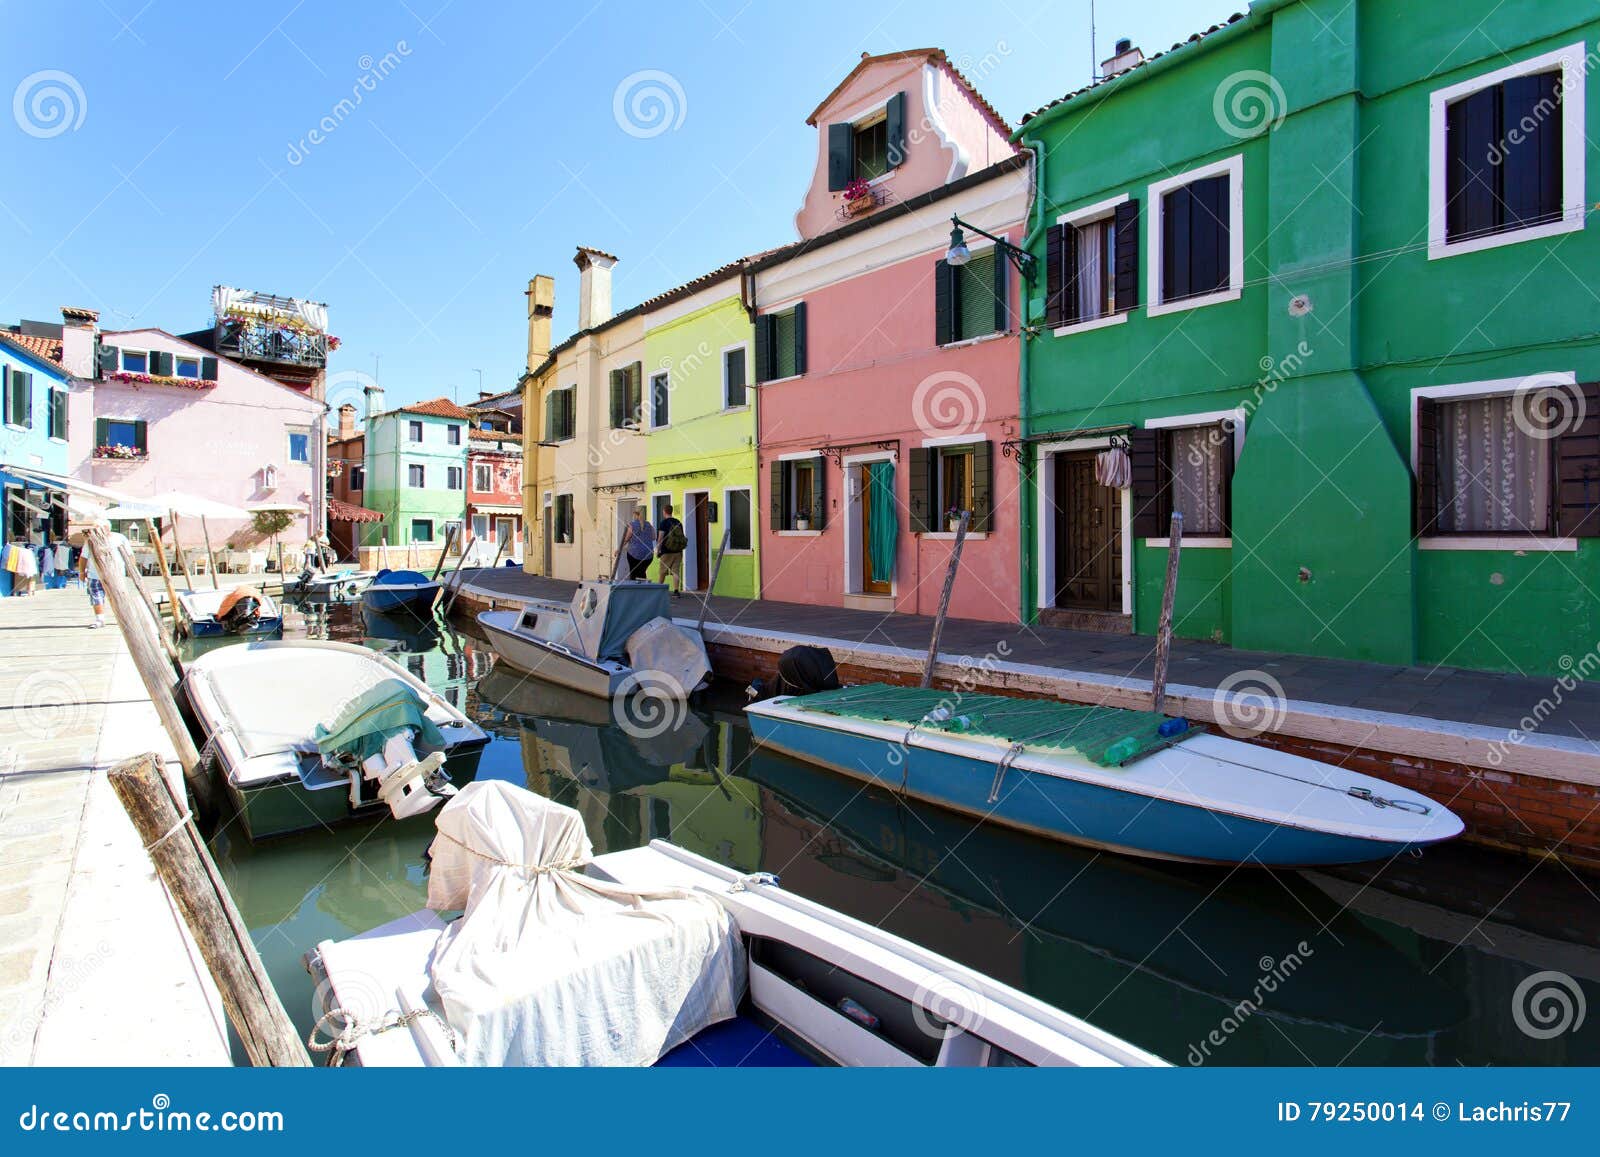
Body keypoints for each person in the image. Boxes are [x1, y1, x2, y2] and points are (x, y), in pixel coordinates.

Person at [77, 522, 130, 629]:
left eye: (99, 529)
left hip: (116, 574)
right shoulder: (91, 540)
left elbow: (129, 555)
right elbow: (83, 557)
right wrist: (82, 572)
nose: (96, 531)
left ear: (107, 529)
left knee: (118, 597)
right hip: (95, 574)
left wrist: (131, 570)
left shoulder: (120, 538)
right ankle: (99, 619)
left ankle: (124, 619)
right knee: (96, 597)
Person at [655, 502, 686, 595]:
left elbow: (660, 538)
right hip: (678, 551)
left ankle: (659, 589)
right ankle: (676, 591)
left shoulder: (663, 523)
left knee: (662, 571)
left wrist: (658, 549)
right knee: (676, 571)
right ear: (671, 512)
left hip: (666, 551)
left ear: (664, 512)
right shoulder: (678, 522)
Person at [620, 505, 655, 581]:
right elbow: (654, 537)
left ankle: (634, 589)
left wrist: (619, 549)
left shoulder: (632, 525)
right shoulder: (649, 524)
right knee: (642, 572)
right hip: (648, 555)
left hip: (634, 554)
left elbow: (626, 539)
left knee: (633, 573)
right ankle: (643, 589)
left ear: (636, 514)